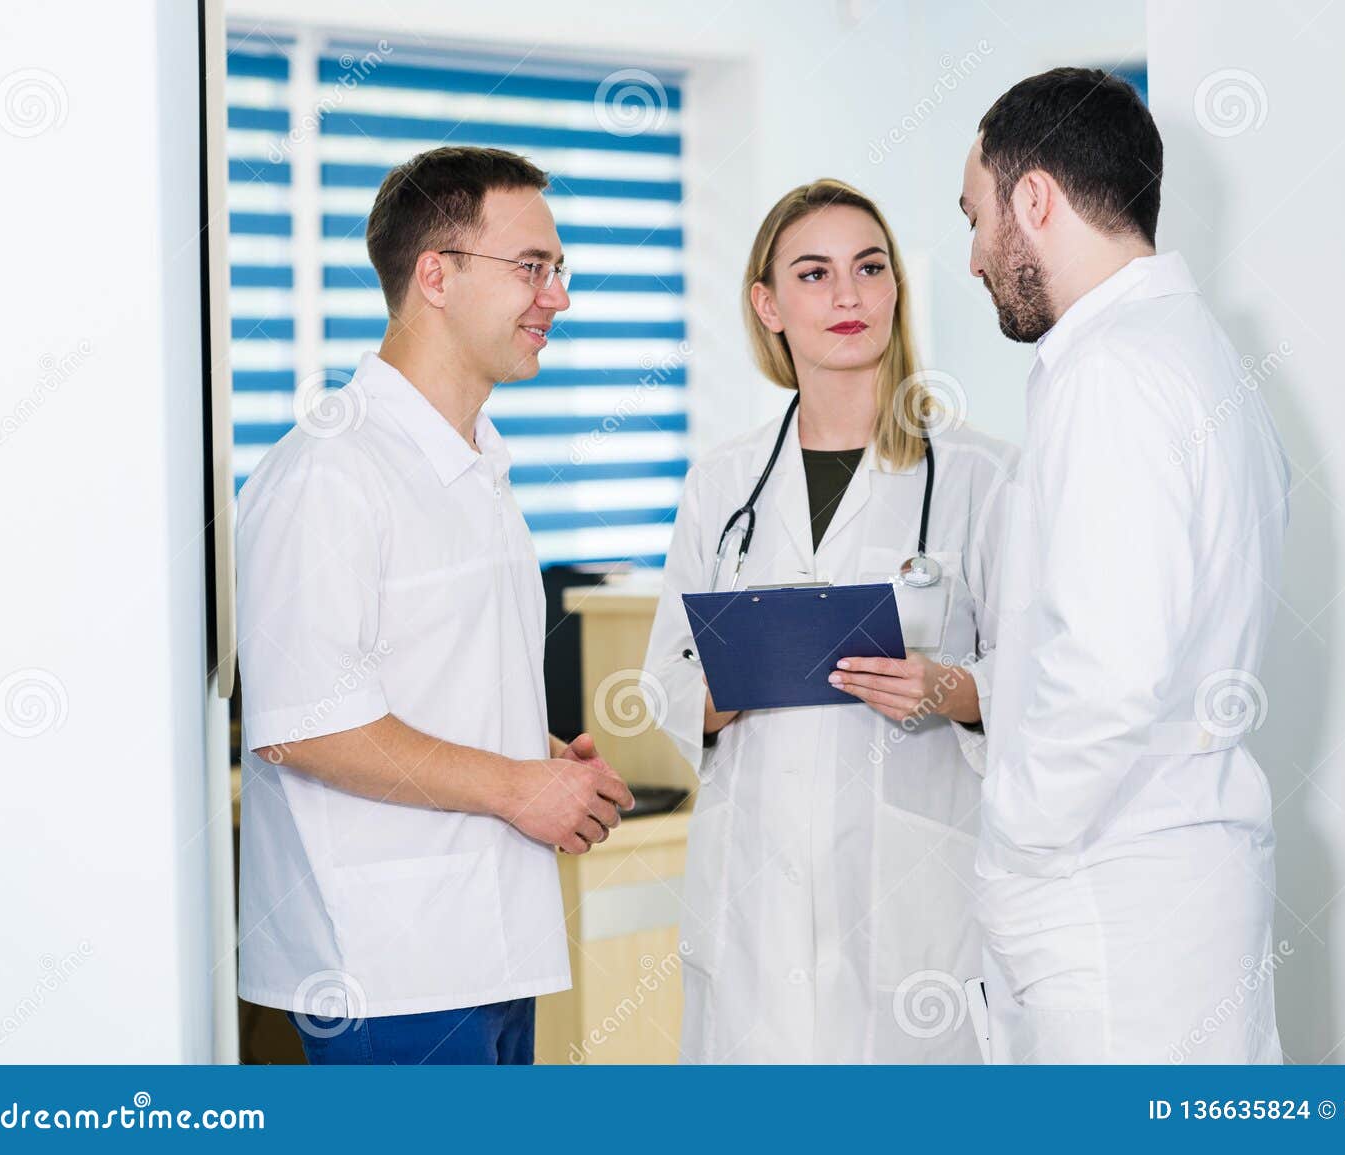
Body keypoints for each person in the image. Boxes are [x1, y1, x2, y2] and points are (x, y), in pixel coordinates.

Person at [235, 146, 634, 1065]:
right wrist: (517, 786)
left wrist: (538, 757)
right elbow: (304, 726)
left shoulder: (476, 465)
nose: (558, 296)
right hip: (389, 970)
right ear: (436, 275)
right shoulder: (332, 469)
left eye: (558, 269)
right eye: (533, 267)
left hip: (488, 951)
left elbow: (416, 685)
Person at [643, 179, 1018, 1063]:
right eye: (813, 274)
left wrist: (955, 687)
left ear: (895, 289)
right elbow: (660, 677)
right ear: (767, 304)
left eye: (870, 267)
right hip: (754, 908)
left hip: (912, 903)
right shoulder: (722, 484)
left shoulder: (981, 477)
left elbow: (1039, 678)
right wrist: (719, 692)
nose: (848, 296)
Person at [958, 69, 1291, 1063]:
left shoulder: (1109, 375)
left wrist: (1013, 840)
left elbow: (1108, 668)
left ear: (1033, 199)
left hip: (1107, 904)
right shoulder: (1193, 354)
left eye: (975, 217)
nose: (974, 257)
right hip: (1176, 890)